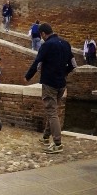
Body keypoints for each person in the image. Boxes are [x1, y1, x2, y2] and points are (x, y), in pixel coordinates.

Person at [24, 23, 75, 154]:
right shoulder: (66, 43)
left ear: (42, 34)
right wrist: (64, 73)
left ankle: (57, 143)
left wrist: (28, 76)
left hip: (49, 84)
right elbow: (73, 64)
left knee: (52, 113)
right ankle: (46, 137)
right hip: (61, 84)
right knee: (52, 111)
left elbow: (37, 62)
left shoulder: (46, 45)